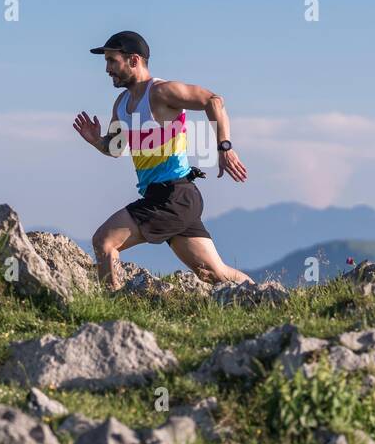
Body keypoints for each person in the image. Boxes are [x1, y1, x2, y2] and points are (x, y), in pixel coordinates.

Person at [73, 30, 254, 289]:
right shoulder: (121, 104)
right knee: (214, 274)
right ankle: (265, 295)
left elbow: (213, 101)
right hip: (165, 197)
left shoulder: (161, 92)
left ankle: (111, 312)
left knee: (104, 241)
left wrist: (224, 147)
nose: (107, 69)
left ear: (134, 60)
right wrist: (96, 140)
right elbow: (115, 149)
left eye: (112, 61)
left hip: (174, 194)